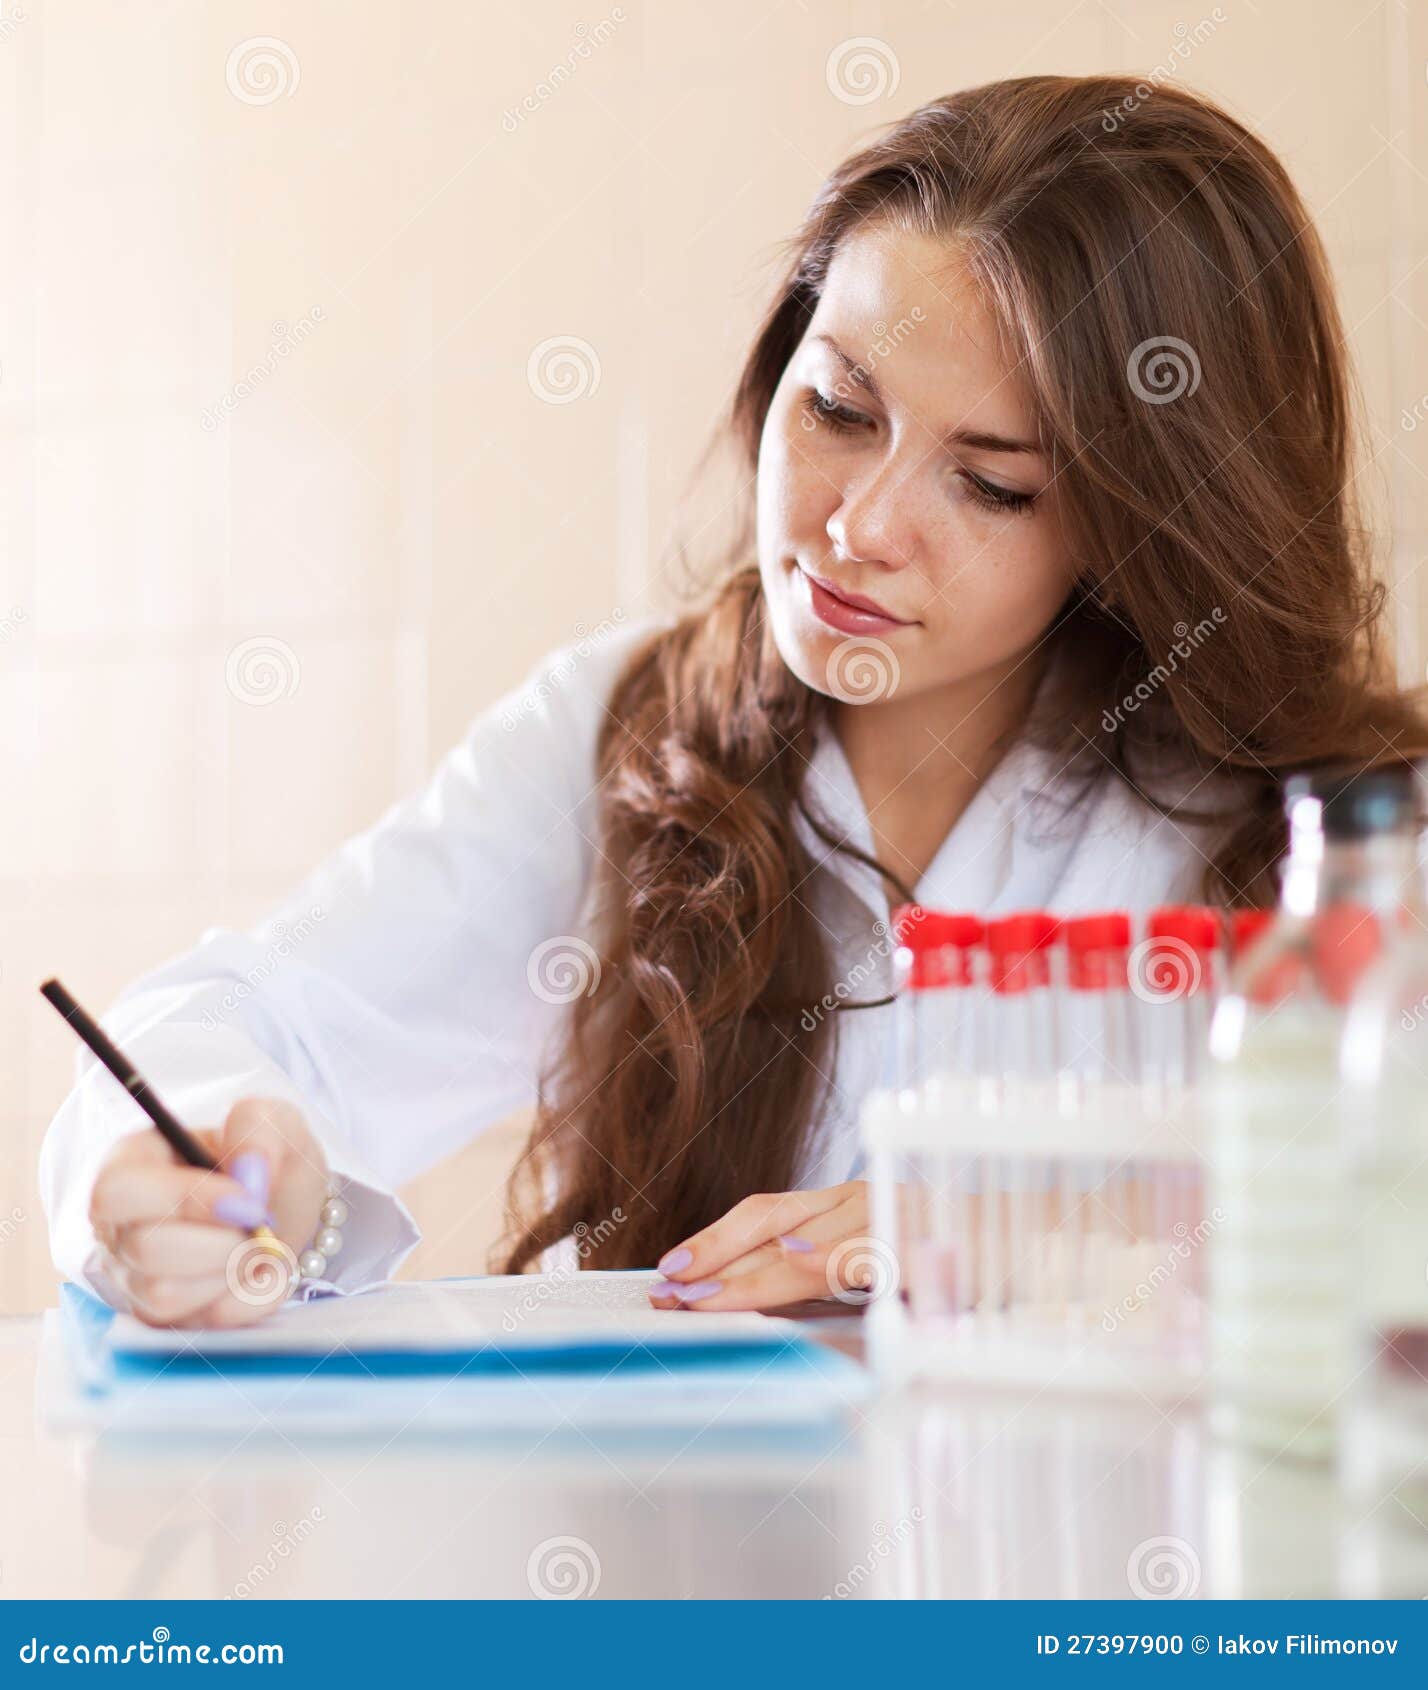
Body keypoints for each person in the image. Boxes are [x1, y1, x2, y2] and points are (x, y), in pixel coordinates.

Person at [40, 73, 1428, 1328]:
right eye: (837, 409)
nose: (859, 526)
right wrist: (207, 1160)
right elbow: (243, 1022)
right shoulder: (623, 732)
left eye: (992, 481)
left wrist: (1056, 1241)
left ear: (1143, 523)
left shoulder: (1330, 830)